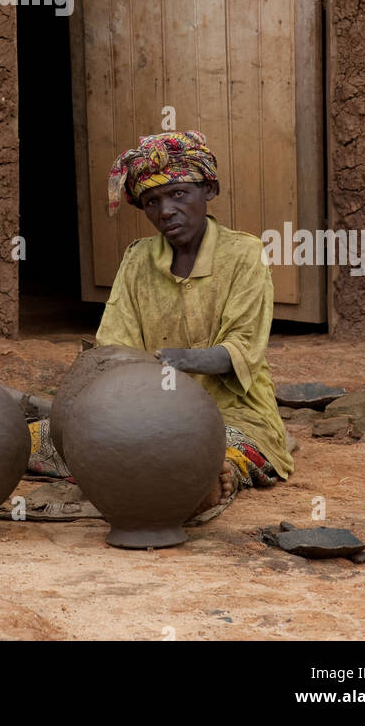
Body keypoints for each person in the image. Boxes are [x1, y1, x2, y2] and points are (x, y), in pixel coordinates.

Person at [95, 130, 293, 519]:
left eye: (179, 194)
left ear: (209, 190)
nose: (165, 210)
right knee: (41, 441)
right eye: (152, 201)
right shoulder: (137, 259)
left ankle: (214, 476)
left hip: (232, 411)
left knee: (228, 450)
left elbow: (237, 350)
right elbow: (112, 347)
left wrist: (165, 362)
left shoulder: (244, 254)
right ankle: (175, 467)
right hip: (148, 411)